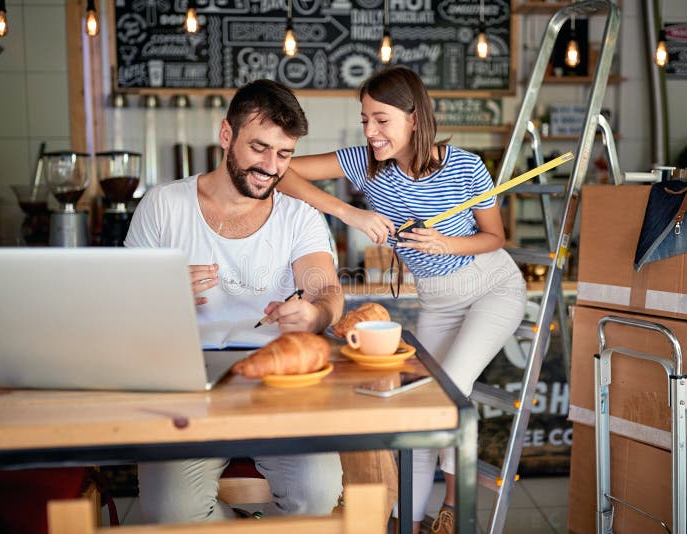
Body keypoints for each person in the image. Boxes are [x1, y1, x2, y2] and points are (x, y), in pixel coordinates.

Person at [277, 65, 527, 534]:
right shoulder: (363, 163)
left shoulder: (466, 166)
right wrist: (347, 210)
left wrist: (446, 243)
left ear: (414, 117)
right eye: (365, 119)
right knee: (418, 405)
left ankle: (453, 509)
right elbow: (283, 171)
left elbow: (496, 236)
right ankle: (408, 522)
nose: (370, 131)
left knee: (450, 389)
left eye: (381, 119)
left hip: (492, 288)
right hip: (438, 300)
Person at [124, 79, 345, 523]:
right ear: (226, 135)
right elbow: (124, 305)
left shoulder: (299, 215)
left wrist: (315, 313)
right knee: (171, 511)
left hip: (278, 383)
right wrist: (158, 292)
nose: (271, 166)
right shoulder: (164, 205)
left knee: (318, 494)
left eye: (284, 154)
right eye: (259, 148)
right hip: (183, 385)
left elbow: (324, 288)